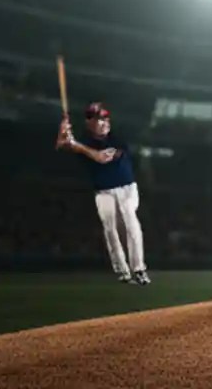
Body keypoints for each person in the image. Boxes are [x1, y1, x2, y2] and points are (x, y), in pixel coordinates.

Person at [57, 102, 150, 286]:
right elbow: (61, 146)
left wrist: (76, 145)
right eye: (99, 119)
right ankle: (122, 271)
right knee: (110, 229)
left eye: (105, 118)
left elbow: (101, 157)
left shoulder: (117, 138)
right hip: (103, 191)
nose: (104, 122)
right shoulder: (85, 140)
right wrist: (63, 133)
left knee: (130, 222)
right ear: (89, 122)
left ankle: (139, 269)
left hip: (127, 189)